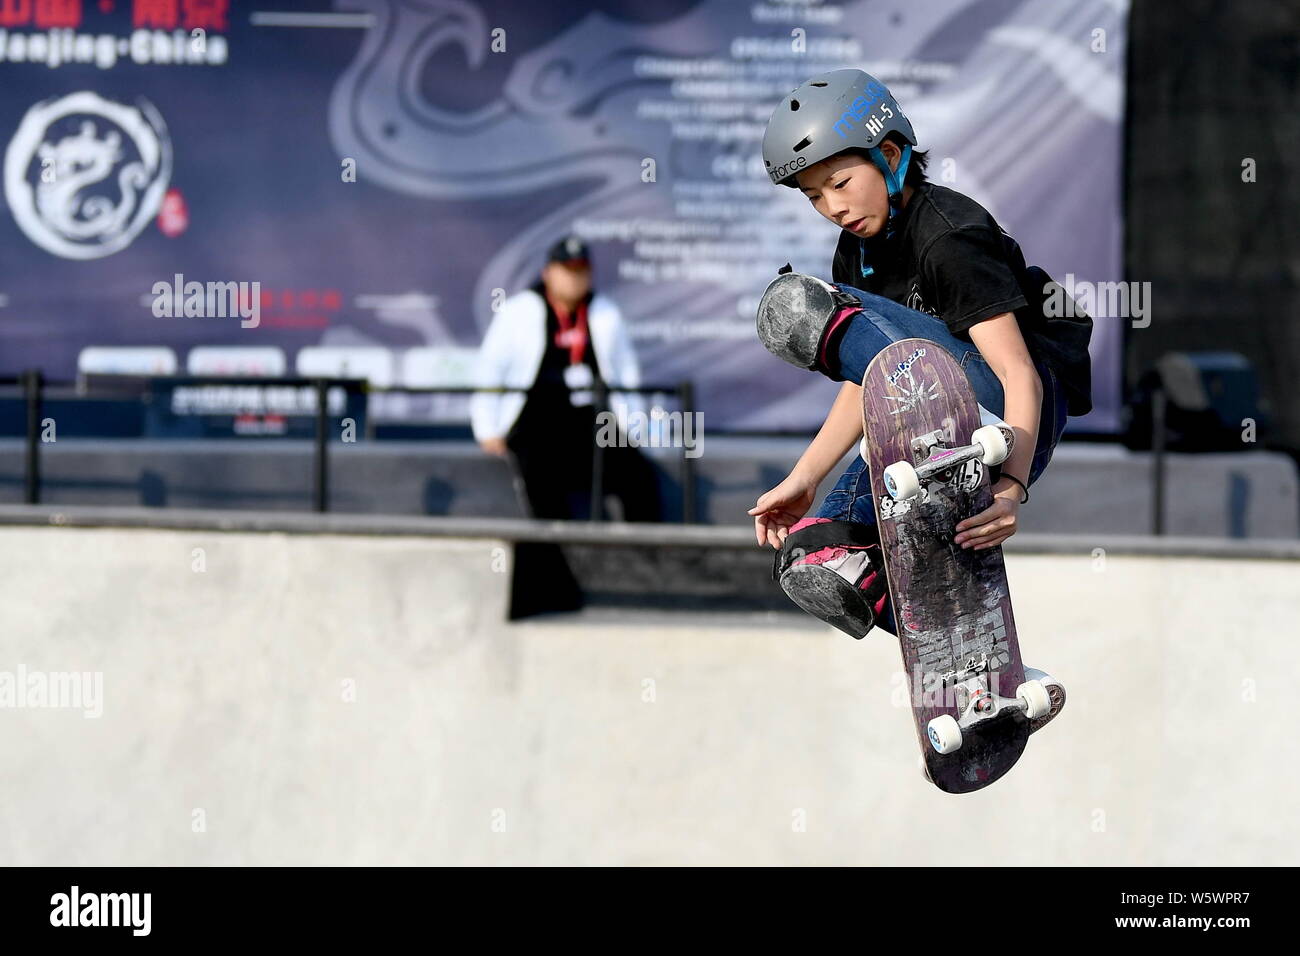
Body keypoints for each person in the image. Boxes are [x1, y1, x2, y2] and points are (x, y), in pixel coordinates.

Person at [750, 69, 1094, 730]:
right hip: (928, 414)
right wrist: (804, 478)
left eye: (842, 184)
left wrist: (1012, 486)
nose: (833, 207)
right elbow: (870, 386)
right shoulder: (856, 253)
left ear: (889, 154)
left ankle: (842, 339)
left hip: (1008, 409)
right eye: (814, 197)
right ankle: (993, 675)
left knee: (818, 308)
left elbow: (1018, 372)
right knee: (820, 559)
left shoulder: (947, 233)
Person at [473, 237, 662, 613]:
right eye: (567, 271)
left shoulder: (604, 311)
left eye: (582, 272)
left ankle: (653, 571)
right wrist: (488, 428)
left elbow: (626, 373)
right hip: (534, 422)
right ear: (548, 273)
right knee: (542, 488)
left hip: (590, 421)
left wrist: (636, 429)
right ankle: (557, 589)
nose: (576, 280)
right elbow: (491, 368)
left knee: (638, 475)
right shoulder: (520, 311)